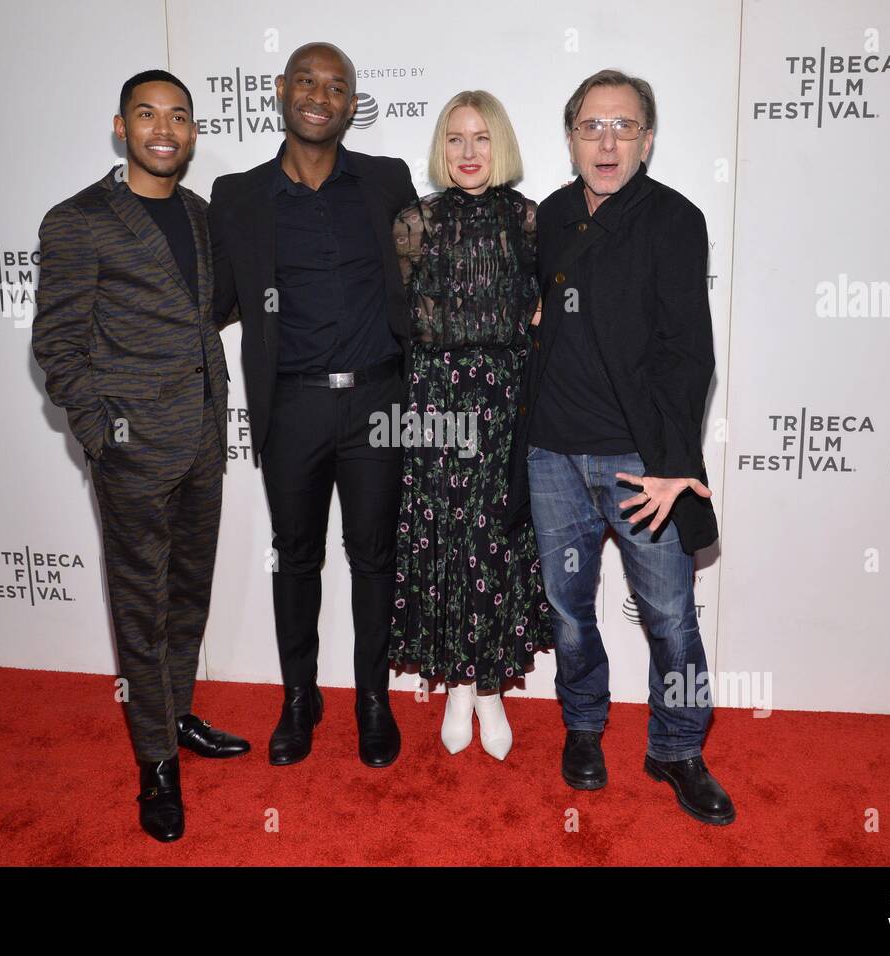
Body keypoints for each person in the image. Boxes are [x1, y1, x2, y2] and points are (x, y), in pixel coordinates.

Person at [508, 69, 735, 825]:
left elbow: (688, 355)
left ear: (647, 138)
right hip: (550, 456)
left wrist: (674, 467)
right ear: (570, 137)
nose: (607, 142)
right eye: (591, 127)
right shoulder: (551, 216)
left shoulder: (675, 219)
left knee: (670, 617)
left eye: (623, 126)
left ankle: (677, 746)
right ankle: (582, 729)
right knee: (568, 611)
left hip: (640, 464)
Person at [32, 70, 249, 843]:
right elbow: (56, 347)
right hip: (131, 455)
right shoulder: (78, 221)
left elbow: (209, 313)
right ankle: (155, 763)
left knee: (188, 596)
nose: (165, 128)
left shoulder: (199, 214)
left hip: (201, 443)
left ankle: (179, 713)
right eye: (148, 115)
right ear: (121, 127)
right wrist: (101, 437)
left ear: (193, 132)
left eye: (179, 116)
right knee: (140, 612)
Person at [208, 43, 418, 768]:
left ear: (353, 103)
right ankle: (299, 698)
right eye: (307, 81)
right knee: (294, 558)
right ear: (280, 90)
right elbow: (208, 301)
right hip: (291, 407)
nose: (321, 95)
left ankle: (372, 699)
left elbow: (429, 276)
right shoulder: (237, 195)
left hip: (379, 402)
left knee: (374, 559)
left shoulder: (388, 182)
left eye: (337, 86)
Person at [388, 91, 552, 760]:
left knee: (495, 541)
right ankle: (457, 684)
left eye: (481, 138)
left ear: (501, 144)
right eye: (455, 139)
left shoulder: (531, 222)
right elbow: (400, 326)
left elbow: (549, 313)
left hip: (506, 404)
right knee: (446, 536)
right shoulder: (414, 224)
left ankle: (489, 689)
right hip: (435, 405)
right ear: (440, 147)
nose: (468, 152)